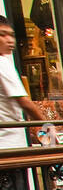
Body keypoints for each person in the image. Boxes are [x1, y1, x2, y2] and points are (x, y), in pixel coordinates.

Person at [0, 17, 47, 152]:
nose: (9, 40)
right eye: (2, 35)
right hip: (10, 143)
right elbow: (24, 102)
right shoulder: (3, 64)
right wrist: (47, 126)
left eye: (11, 35)